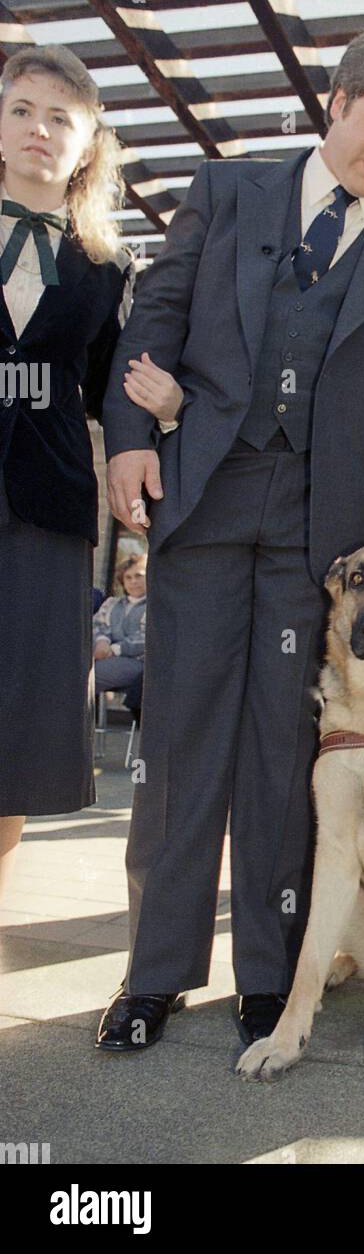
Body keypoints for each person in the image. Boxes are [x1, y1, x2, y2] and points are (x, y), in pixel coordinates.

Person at [95, 23, 364, 1054]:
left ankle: (271, 976)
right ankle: (154, 974)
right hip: (205, 501)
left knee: (282, 755)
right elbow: (151, 322)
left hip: (329, 538)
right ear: (337, 102)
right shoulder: (225, 192)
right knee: (177, 748)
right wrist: (128, 443)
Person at [0, 45, 133, 903]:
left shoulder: (109, 267)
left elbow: (117, 391)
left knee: (14, 728)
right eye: (21, 109)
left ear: (87, 145)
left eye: (60, 117)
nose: (38, 129)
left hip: (46, 510)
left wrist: (157, 403)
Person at [93, 554, 147, 718]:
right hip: (105, 658)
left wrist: (114, 649)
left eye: (138, 576)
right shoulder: (112, 603)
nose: (133, 581)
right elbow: (98, 625)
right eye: (128, 577)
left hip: (138, 664)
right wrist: (102, 641)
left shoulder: (156, 605)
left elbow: (147, 637)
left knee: (87, 674)